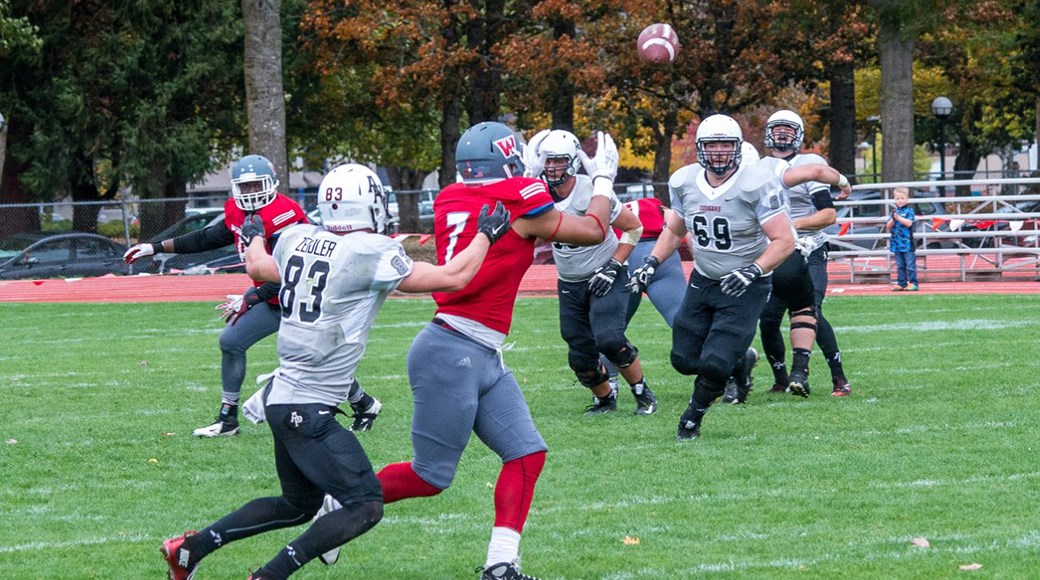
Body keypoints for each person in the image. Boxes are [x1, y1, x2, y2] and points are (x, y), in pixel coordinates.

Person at [160, 163, 512, 580]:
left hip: (282, 400)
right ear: (369, 204)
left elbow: (258, 267)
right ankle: (269, 575)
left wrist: (253, 232)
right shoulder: (369, 252)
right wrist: (487, 234)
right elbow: (455, 277)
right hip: (308, 409)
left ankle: (189, 551)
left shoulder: (295, 238)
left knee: (297, 505)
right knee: (365, 504)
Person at [374, 121, 618, 580]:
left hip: (480, 349)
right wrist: (603, 177)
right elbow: (594, 228)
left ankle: (500, 564)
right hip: (454, 348)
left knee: (527, 454)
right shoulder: (519, 199)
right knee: (430, 476)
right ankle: (342, 498)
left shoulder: (450, 196)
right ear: (510, 158)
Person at [628, 114, 851, 441]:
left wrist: (754, 269)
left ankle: (693, 416)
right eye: (712, 145)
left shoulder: (756, 182)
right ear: (699, 148)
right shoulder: (684, 181)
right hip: (703, 280)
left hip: (745, 284)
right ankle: (741, 361)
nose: (719, 152)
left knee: (714, 364)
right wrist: (651, 261)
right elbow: (675, 229)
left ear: (738, 148)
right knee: (684, 360)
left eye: (726, 145)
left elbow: (785, 240)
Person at [123, 155, 383, 436]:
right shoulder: (236, 209)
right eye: (244, 187)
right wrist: (156, 247)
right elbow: (209, 237)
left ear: (272, 183)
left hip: (300, 299)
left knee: (315, 360)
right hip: (272, 299)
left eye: (256, 185)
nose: (250, 193)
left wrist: (250, 297)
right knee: (231, 341)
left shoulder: (287, 216)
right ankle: (227, 420)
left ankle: (364, 403)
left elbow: (290, 274)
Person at [526, 129, 656, 415]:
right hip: (570, 281)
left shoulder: (591, 190)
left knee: (609, 338)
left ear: (573, 161)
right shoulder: (536, 193)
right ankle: (605, 398)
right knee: (579, 356)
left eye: (558, 161)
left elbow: (634, 227)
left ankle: (642, 391)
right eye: (547, 161)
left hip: (604, 275)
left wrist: (614, 265)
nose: (551, 167)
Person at [760, 110, 854, 397]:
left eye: (789, 129)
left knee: (811, 309)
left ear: (798, 135)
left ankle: (838, 378)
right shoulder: (759, 167)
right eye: (777, 128)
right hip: (774, 249)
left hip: (808, 246)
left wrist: (789, 225)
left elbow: (828, 215)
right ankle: (780, 378)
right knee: (768, 316)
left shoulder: (809, 163)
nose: (782, 133)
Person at [887, 186, 919, 291]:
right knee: (900, 265)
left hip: (907, 243)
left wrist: (899, 218)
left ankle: (913, 283)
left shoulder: (909, 211)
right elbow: (888, 226)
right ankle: (902, 283)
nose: (900, 201)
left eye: (902, 198)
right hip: (896, 243)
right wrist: (893, 218)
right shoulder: (893, 212)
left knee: (910, 265)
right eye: (897, 198)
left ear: (907, 199)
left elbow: (909, 223)